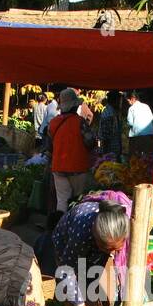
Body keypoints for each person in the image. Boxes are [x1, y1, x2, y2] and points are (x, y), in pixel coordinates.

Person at [52, 193, 131, 306]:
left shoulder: (122, 226)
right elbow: (66, 272)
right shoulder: (81, 233)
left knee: (106, 294)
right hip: (68, 248)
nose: (114, 252)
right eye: (107, 247)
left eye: (116, 248)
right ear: (96, 238)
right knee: (79, 301)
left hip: (98, 244)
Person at [47, 88, 93, 217]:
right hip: (78, 167)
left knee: (61, 202)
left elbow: (49, 147)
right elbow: (90, 142)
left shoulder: (53, 123)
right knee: (78, 200)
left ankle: (60, 228)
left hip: (58, 168)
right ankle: (74, 227)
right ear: (74, 106)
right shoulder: (80, 123)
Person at [126, 91, 153, 159]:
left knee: (135, 157)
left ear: (132, 99)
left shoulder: (131, 108)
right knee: (148, 158)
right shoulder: (146, 106)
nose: (128, 103)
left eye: (128, 100)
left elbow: (130, 123)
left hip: (137, 136)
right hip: (149, 135)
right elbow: (152, 119)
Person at [98, 91, 123, 159]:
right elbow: (106, 137)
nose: (120, 103)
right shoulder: (109, 114)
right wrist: (106, 155)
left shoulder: (113, 112)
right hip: (110, 152)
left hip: (113, 151)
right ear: (114, 101)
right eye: (119, 100)